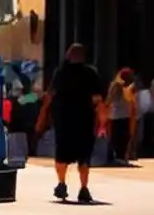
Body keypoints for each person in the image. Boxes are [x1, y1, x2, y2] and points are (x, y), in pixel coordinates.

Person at [37, 43, 106, 203]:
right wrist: (101, 121)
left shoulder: (60, 73)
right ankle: (84, 188)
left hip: (64, 119)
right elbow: (98, 100)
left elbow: (50, 95)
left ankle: (61, 183)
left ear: (68, 55)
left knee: (61, 153)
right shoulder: (91, 73)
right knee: (84, 155)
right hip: (84, 119)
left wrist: (42, 116)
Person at [105, 68, 137, 164]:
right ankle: (121, 156)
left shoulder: (114, 85)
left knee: (116, 137)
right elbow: (131, 101)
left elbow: (109, 99)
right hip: (124, 115)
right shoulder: (127, 87)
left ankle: (118, 156)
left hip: (115, 115)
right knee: (123, 137)